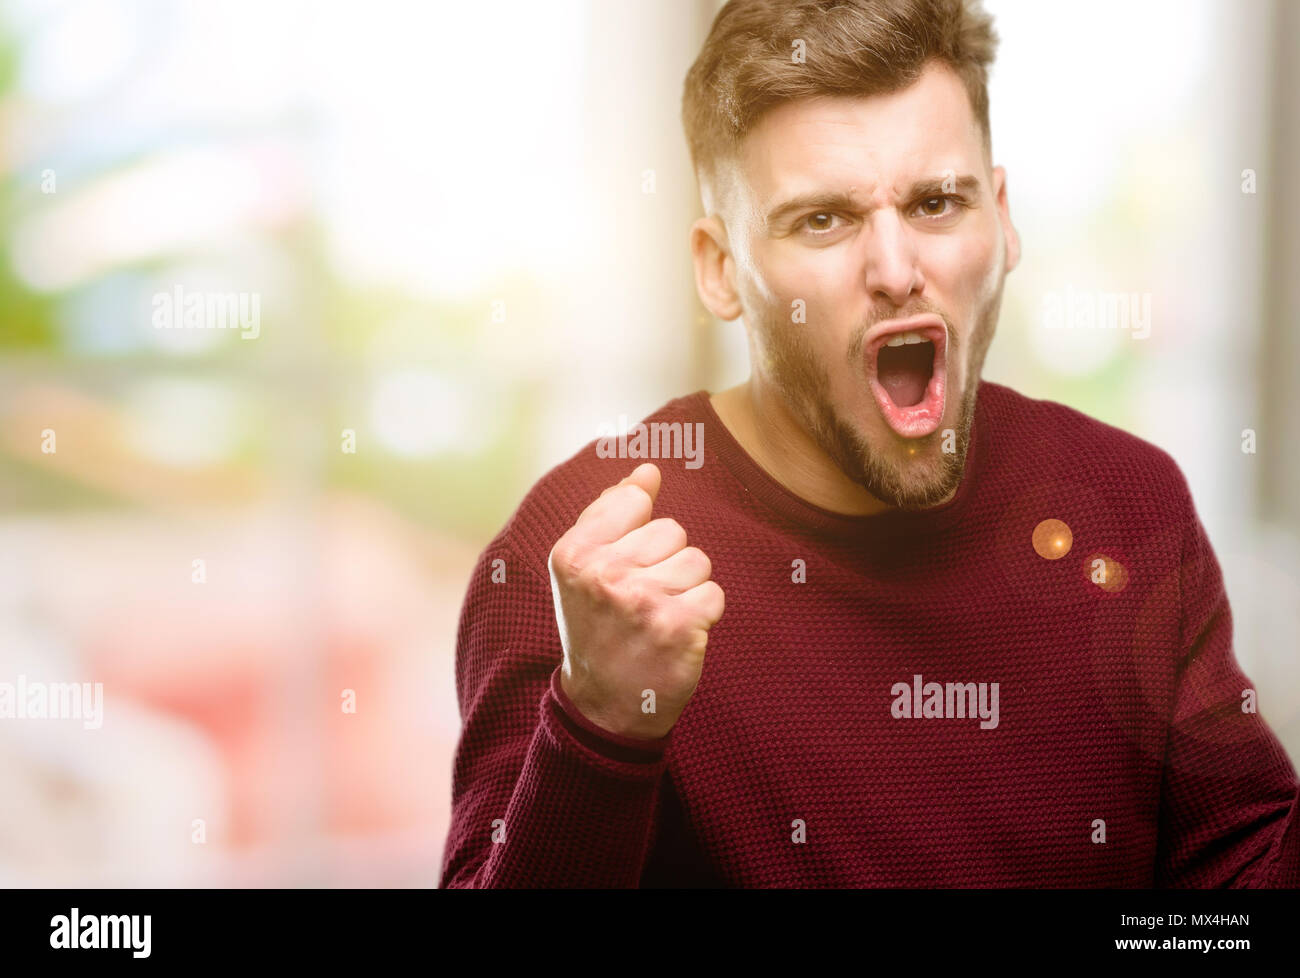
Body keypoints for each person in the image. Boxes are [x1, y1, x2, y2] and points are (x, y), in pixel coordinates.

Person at [439, 0, 1299, 887]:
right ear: (721, 269)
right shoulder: (584, 565)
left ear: (1001, 222)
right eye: (822, 220)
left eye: (935, 202)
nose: (894, 271)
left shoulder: (1127, 500)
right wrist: (602, 722)